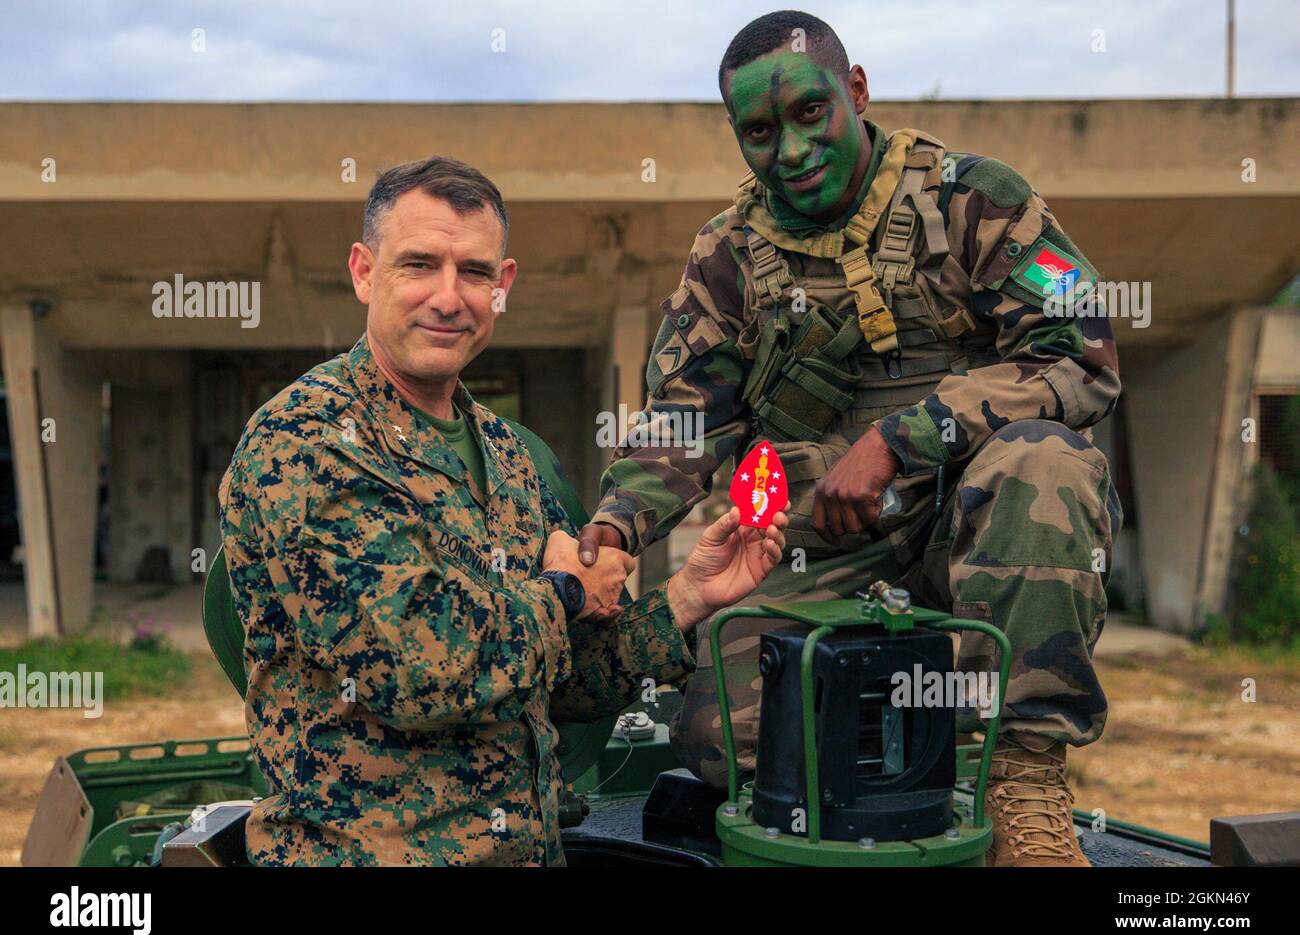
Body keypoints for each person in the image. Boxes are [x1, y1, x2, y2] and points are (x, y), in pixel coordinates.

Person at [576, 10, 1122, 866]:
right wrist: (613, 530)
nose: (790, 151)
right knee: (721, 742)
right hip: (823, 551)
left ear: (855, 91)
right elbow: (685, 424)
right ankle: (916, 760)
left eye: (809, 114)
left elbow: (1083, 352)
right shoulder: (728, 256)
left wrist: (906, 438)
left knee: (1047, 462)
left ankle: (1022, 781)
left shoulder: (975, 200)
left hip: (972, 521)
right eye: (759, 131)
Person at [219, 156, 788, 866]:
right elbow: (418, 669)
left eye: (476, 273)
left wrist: (682, 599)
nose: (449, 298)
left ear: (503, 287)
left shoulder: (505, 452)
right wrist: (567, 591)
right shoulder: (309, 439)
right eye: (419, 265)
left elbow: (548, 677)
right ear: (365, 272)